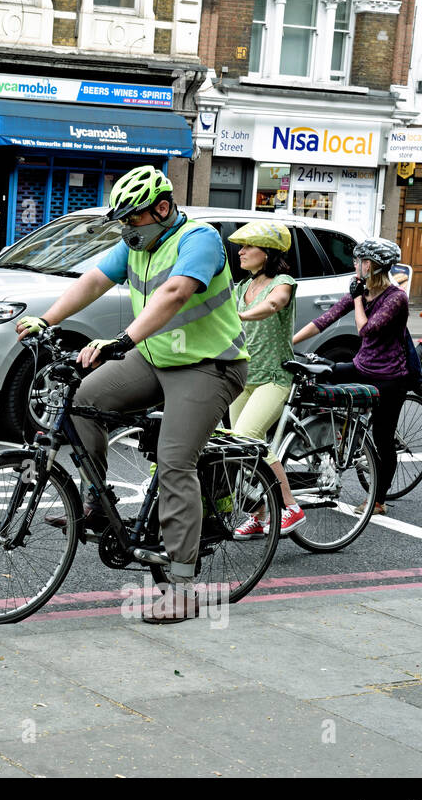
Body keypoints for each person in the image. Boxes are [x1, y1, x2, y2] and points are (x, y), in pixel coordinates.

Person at [15, 165, 249, 624]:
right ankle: (96, 503)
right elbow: (93, 281)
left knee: (175, 460)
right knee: (83, 401)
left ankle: (182, 587)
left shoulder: (198, 240)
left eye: (133, 218)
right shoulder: (136, 244)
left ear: (163, 209)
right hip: (157, 359)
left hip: (209, 365)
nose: (127, 228)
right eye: (122, 220)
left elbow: (177, 292)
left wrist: (121, 340)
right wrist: (49, 318)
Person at [293, 238, 410, 517]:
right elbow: (326, 319)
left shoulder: (395, 298)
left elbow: (366, 330)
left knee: (382, 439)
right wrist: (290, 343)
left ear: (370, 265)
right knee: (318, 378)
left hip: (390, 376)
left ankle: (378, 500)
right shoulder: (363, 290)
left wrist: (358, 298)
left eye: (358, 261)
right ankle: (332, 438)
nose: (354, 266)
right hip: (362, 365)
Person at [224, 221, 306, 538]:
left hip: (274, 376)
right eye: (241, 246)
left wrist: (242, 315)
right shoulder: (242, 287)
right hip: (244, 376)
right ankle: (259, 514)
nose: (241, 252)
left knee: (248, 436)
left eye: (248, 247)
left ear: (267, 252)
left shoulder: (282, 282)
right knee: (236, 447)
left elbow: (274, 305)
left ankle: (290, 507)